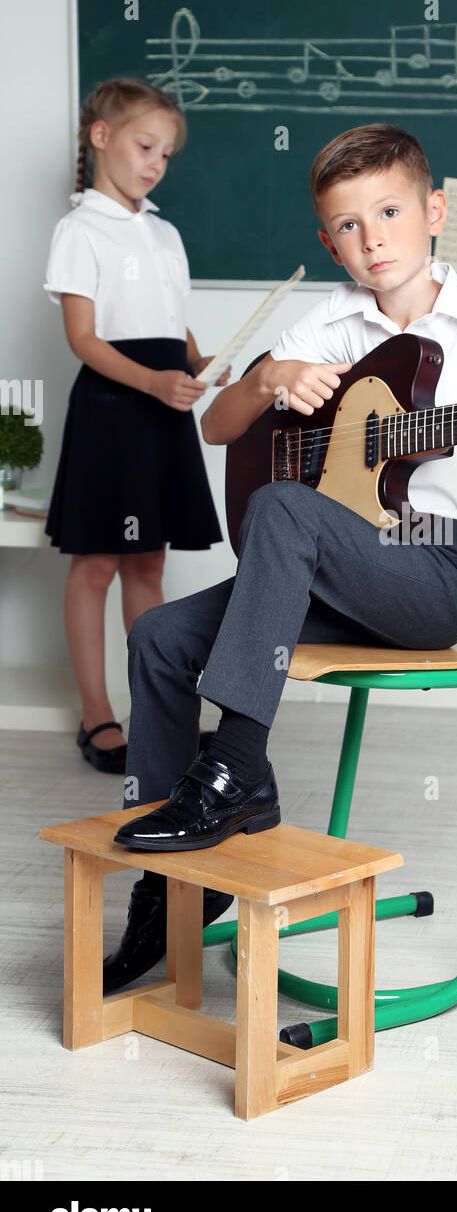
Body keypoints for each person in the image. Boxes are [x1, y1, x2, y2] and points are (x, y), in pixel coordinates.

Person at [102, 122, 457, 995]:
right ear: (325, 239)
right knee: (157, 634)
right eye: (347, 224)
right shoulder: (331, 320)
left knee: (283, 509)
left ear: (435, 212)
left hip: (435, 576)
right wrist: (269, 380)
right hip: (325, 571)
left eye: (388, 212)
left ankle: (236, 766)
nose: (371, 239)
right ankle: (174, 887)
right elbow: (220, 425)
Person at [43, 77, 229, 776]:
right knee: (96, 561)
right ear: (101, 137)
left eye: (167, 154)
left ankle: (161, 718)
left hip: (161, 404)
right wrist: (153, 380)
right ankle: (97, 716)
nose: (157, 162)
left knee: (148, 561)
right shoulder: (79, 228)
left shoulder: (163, 231)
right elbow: (85, 339)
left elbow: (165, 321)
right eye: (146, 145)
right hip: (113, 408)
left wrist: (195, 359)